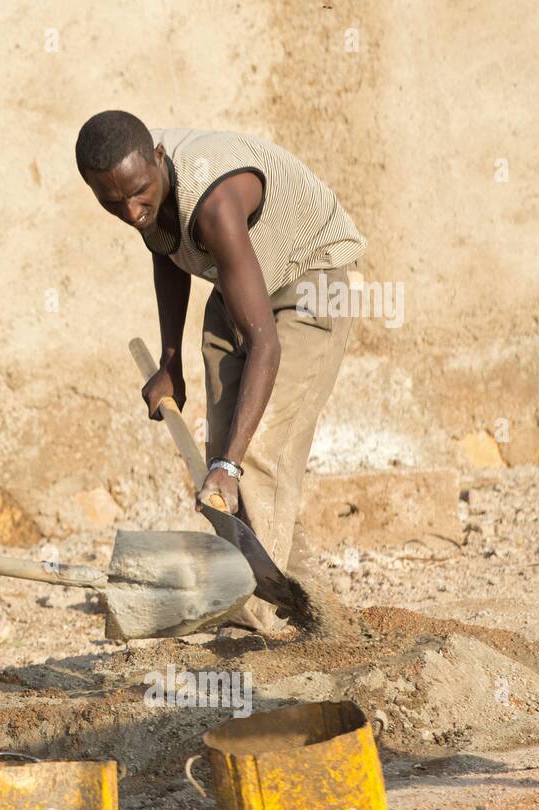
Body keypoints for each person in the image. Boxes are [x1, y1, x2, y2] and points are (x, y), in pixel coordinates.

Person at [76, 111, 367, 631]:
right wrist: (171, 365)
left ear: (158, 160)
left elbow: (266, 345)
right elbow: (164, 246)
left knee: (253, 455)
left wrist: (231, 464)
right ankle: (310, 607)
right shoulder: (138, 179)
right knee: (224, 461)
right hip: (241, 283)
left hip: (309, 280)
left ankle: (248, 621)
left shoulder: (214, 202)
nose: (133, 210)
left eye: (140, 192)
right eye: (112, 202)